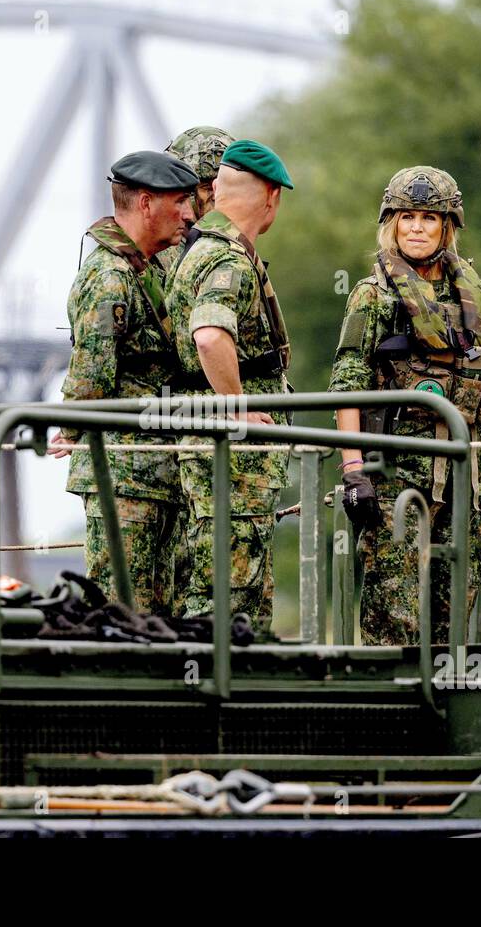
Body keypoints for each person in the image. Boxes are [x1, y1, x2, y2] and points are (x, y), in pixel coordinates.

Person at [330, 166, 481, 646]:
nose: (416, 227)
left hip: (471, 476)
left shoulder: (473, 295)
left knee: (454, 618)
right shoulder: (373, 294)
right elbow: (347, 383)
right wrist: (354, 471)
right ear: (391, 223)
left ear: (448, 226)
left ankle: (448, 716)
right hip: (402, 473)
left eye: (428, 218)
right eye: (406, 217)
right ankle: (392, 718)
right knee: (393, 622)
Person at [50, 150, 197, 618]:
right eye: (181, 202)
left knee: (159, 615)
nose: (190, 214)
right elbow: (91, 379)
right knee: (120, 611)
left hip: (158, 470)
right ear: (147, 203)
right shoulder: (108, 277)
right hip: (123, 479)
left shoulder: (149, 268)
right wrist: (70, 430)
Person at [166, 139, 293, 630]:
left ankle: (235, 674)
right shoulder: (228, 260)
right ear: (271, 197)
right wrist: (237, 406)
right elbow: (210, 335)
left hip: (212, 439)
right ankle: (219, 682)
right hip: (233, 448)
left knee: (229, 574)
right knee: (229, 581)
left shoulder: (200, 249)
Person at [157, 126, 233, 277]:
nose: (217, 195)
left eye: (224, 184)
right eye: (207, 187)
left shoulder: (230, 243)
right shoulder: (162, 255)